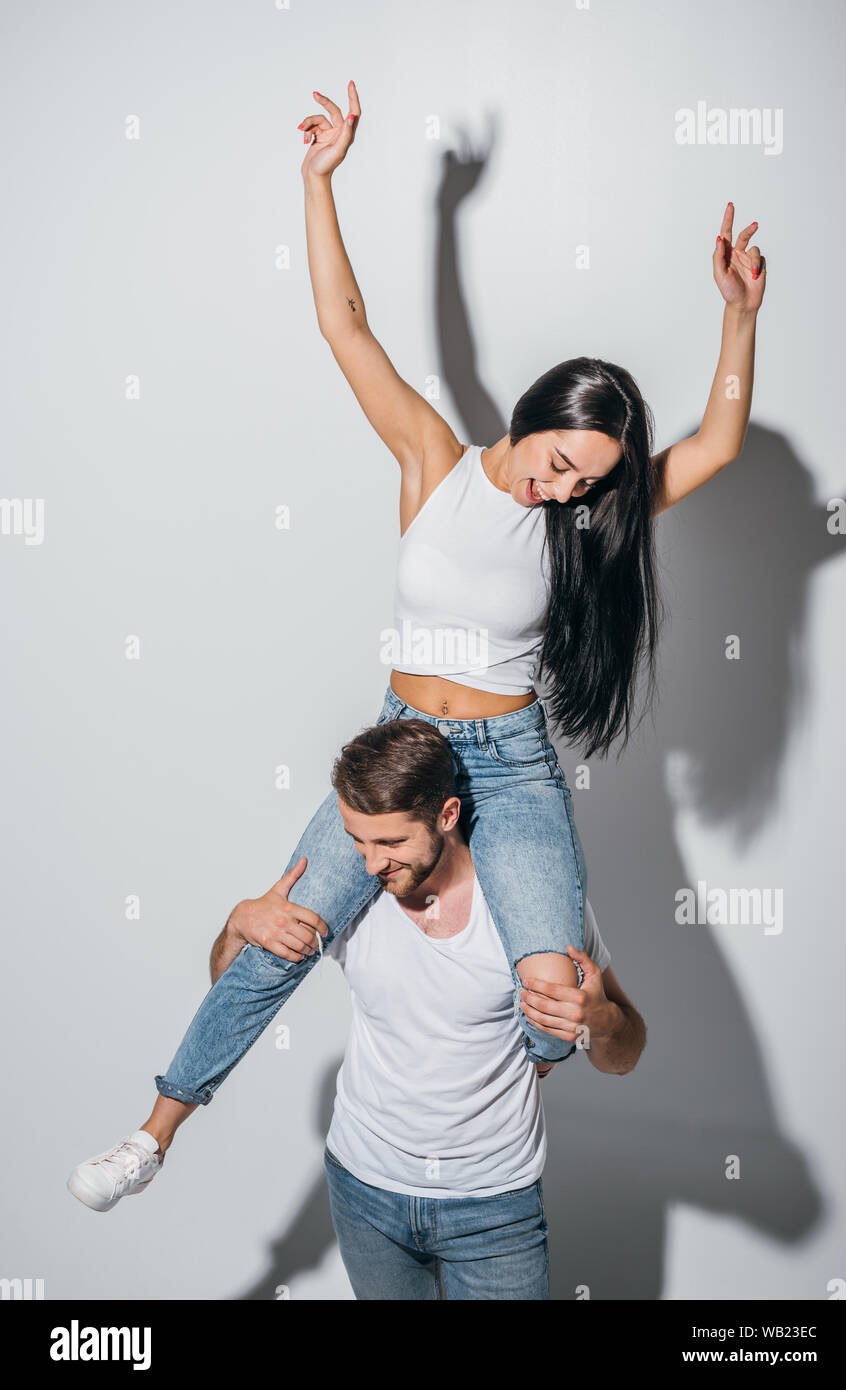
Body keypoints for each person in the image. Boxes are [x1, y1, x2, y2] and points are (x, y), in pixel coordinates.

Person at [69, 78, 766, 1177]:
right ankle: (151, 1136)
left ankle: (472, 1133)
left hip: (514, 760)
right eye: (558, 462)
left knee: (553, 999)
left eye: (586, 484)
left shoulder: (583, 520)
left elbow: (719, 445)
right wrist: (325, 182)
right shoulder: (435, 463)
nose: (561, 492)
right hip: (406, 745)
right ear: (537, 415)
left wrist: (738, 315)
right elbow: (346, 327)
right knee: (277, 936)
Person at [69, 722, 645, 1301]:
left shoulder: (529, 908)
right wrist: (236, 927)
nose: (371, 864)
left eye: (390, 844)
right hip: (364, 1191)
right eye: (356, 841)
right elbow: (237, 990)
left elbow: (625, 1056)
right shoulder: (362, 893)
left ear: (447, 816)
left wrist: (597, 1022)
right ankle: (150, 1143)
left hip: (493, 1205)